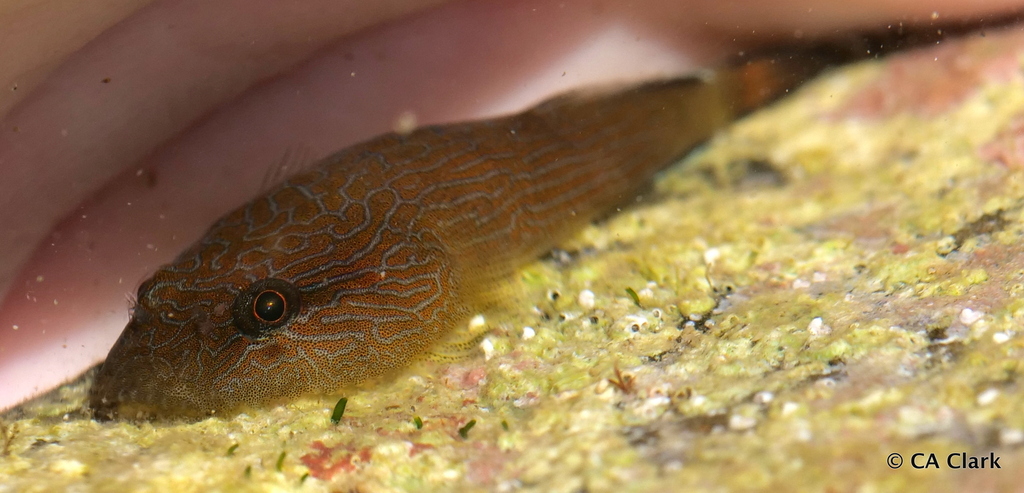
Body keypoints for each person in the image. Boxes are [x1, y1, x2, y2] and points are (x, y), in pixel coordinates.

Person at [0, 0, 1019, 411]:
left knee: (691, 101)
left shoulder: (364, 258)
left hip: (632, 120)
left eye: (265, 315)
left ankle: (759, 83)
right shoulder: (297, 258)